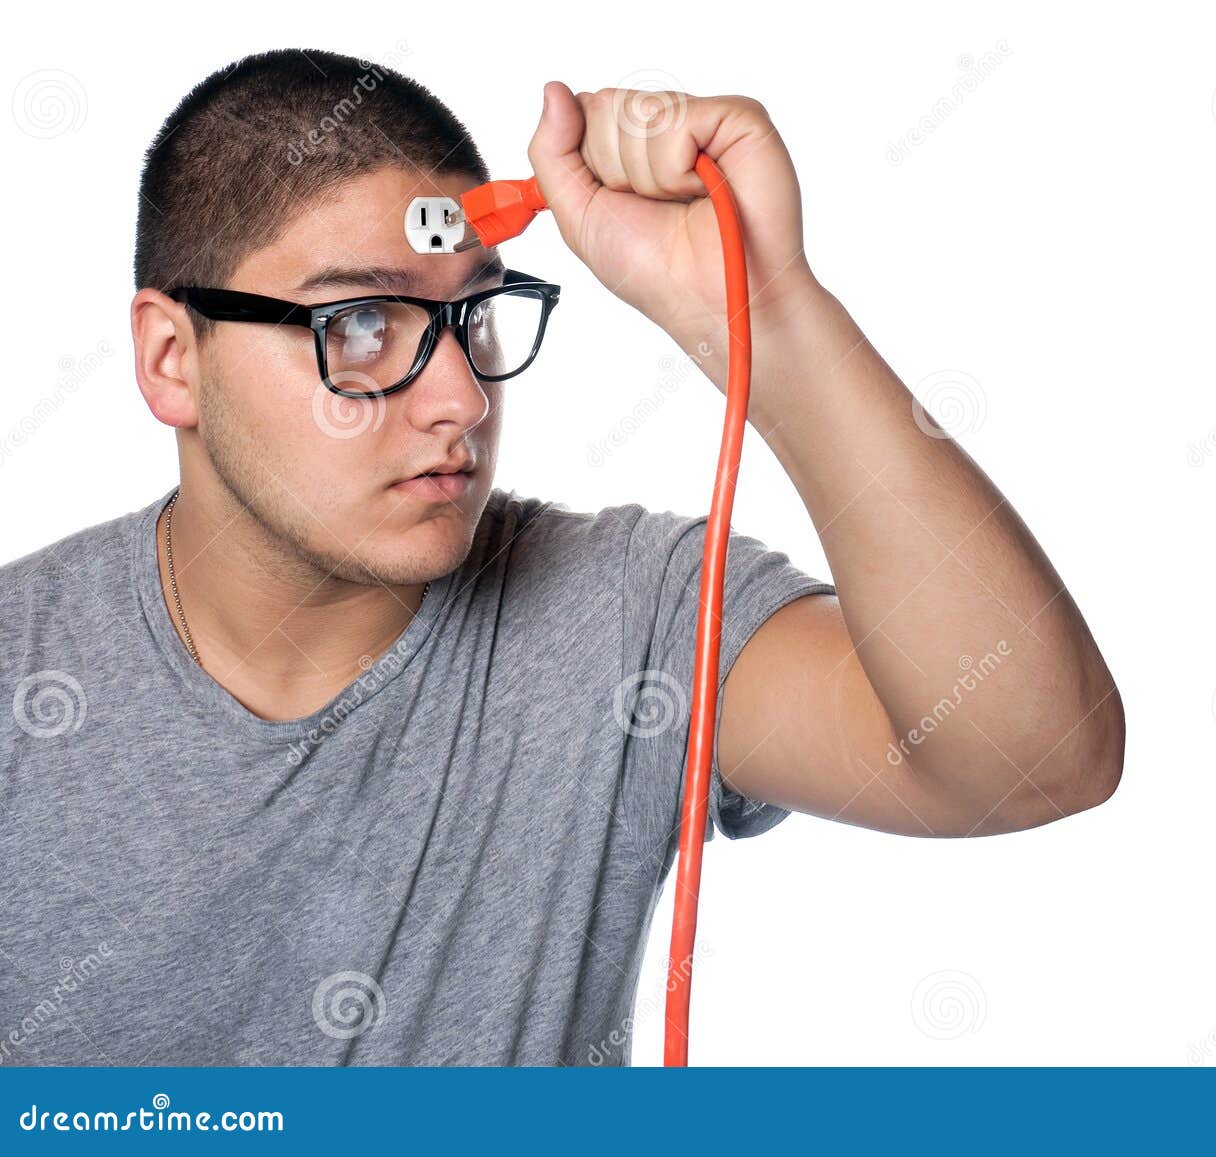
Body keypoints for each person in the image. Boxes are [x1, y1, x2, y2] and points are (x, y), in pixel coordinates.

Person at [0, 49, 1123, 1065]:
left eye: (473, 319)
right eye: (358, 326)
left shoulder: (625, 619)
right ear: (170, 358)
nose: (459, 397)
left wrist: (763, 317)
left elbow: (1036, 754)